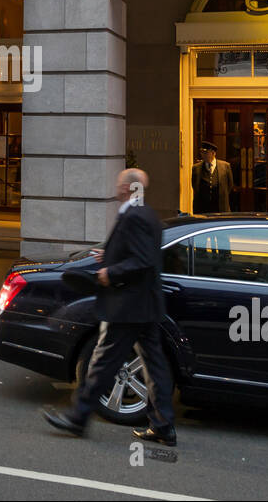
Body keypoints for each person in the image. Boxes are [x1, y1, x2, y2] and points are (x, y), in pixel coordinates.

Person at [43, 168, 177, 446]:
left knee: (103, 363)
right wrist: (111, 254)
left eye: (119, 183)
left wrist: (109, 273)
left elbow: (142, 261)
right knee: (156, 366)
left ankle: (77, 418)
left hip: (128, 307)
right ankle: (163, 426)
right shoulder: (147, 213)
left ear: (128, 188)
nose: (116, 187)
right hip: (146, 306)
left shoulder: (135, 215)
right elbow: (143, 253)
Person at [190, 141, 233, 214]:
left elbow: (229, 186)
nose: (203, 155)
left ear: (213, 153)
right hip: (202, 208)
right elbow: (195, 186)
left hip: (220, 208)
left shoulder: (225, 166)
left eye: (206, 152)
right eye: (202, 152)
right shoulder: (196, 168)